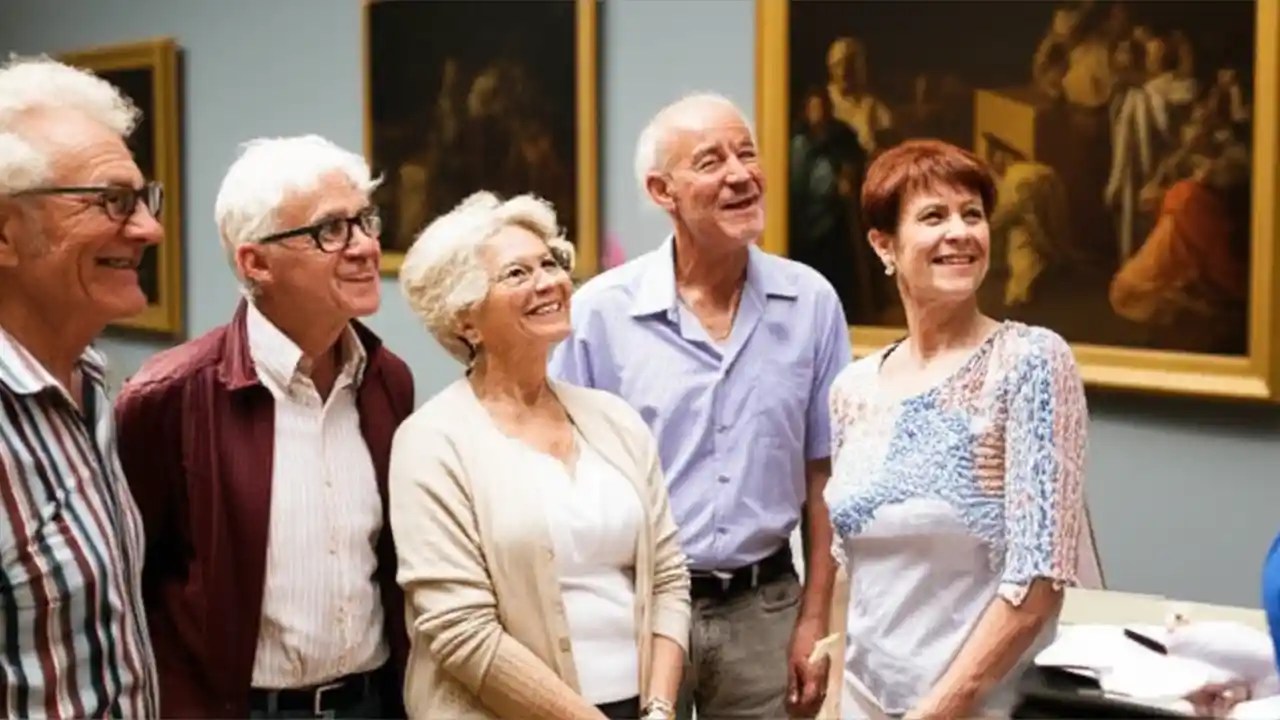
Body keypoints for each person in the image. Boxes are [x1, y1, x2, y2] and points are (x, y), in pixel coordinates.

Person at [549, 92, 852, 719]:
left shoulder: (812, 303)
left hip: (765, 610)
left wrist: (813, 618)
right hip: (631, 608)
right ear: (664, 191)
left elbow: (825, 476)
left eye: (747, 154)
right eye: (712, 161)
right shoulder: (599, 315)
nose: (741, 174)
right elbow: (558, 475)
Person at [114, 135, 414, 718]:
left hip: (371, 703)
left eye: (366, 221)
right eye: (331, 230)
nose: (365, 248)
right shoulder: (168, 397)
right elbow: (131, 590)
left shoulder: (387, 381)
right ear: (256, 262)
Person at [823, 139, 1104, 719]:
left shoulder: (1029, 362)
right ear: (884, 245)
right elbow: (853, 569)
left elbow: (1038, 583)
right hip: (863, 700)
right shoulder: (851, 391)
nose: (960, 232)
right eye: (933, 216)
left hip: (990, 704)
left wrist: (937, 711)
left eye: (971, 215)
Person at [390, 191, 689, 720]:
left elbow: (667, 576)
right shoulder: (430, 442)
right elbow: (462, 631)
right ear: (466, 320)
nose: (550, 281)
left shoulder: (613, 419)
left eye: (550, 263)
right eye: (517, 274)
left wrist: (661, 709)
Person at [0, 55, 160, 718]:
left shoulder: (91, 386)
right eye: (112, 202)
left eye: (144, 200)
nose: (150, 229)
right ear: (5, 233)